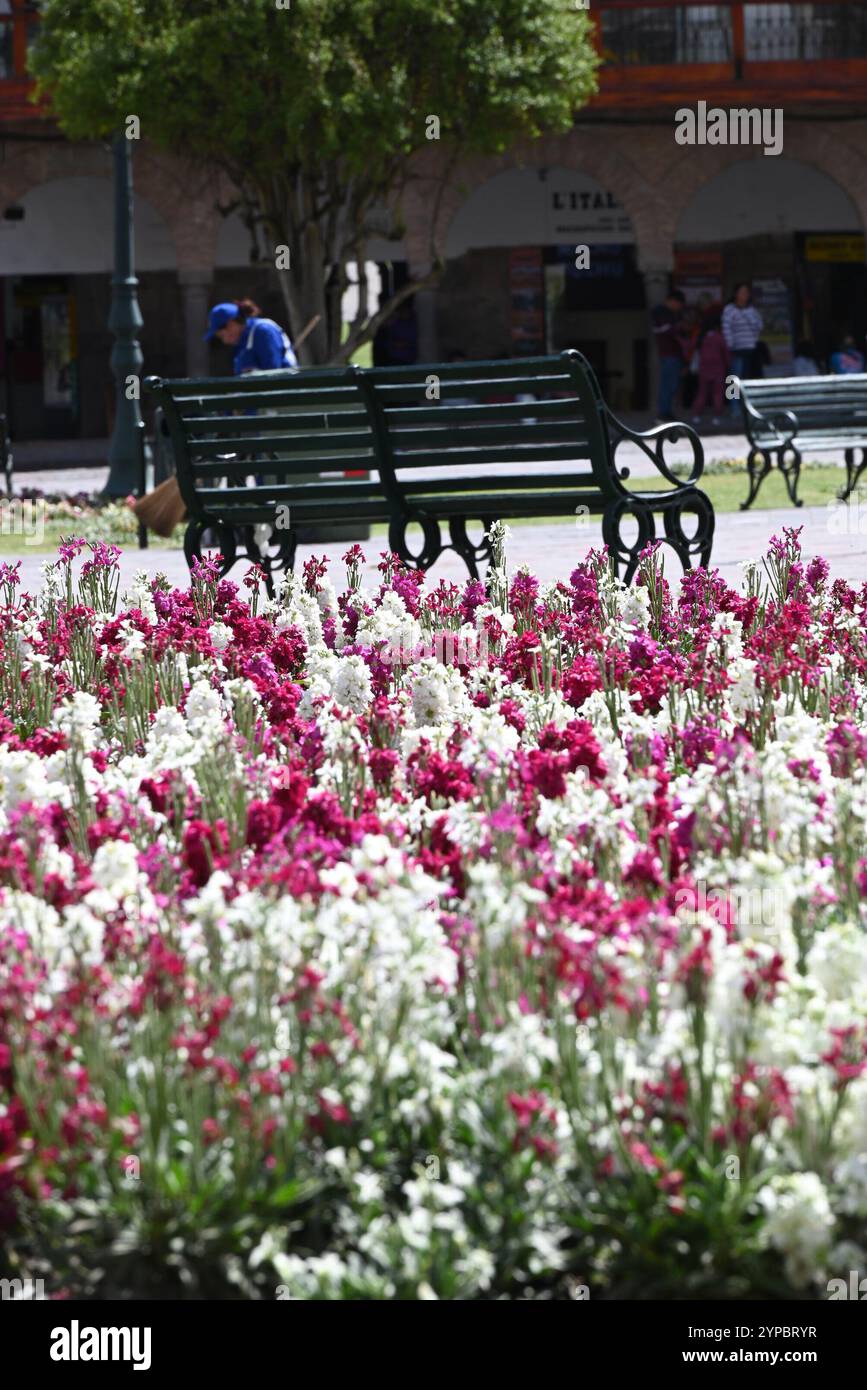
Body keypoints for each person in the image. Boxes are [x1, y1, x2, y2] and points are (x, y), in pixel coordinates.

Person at [204, 298, 297, 373]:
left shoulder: (263, 331)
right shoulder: (241, 344)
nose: (224, 341)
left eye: (221, 335)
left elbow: (273, 373)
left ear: (231, 324)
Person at [651, 288, 687, 422]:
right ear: (672, 301)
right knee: (667, 384)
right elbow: (663, 330)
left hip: (675, 353)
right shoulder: (658, 312)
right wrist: (677, 327)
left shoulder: (674, 314)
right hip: (667, 353)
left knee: (672, 384)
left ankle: (667, 411)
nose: (679, 307)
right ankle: (662, 413)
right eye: (678, 304)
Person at [691, 309, 729, 429]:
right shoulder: (719, 338)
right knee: (718, 393)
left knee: (702, 393)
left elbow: (691, 347)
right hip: (718, 369)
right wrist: (728, 364)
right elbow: (726, 353)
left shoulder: (701, 338)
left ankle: (697, 415)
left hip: (703, 369)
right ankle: (717, 417)